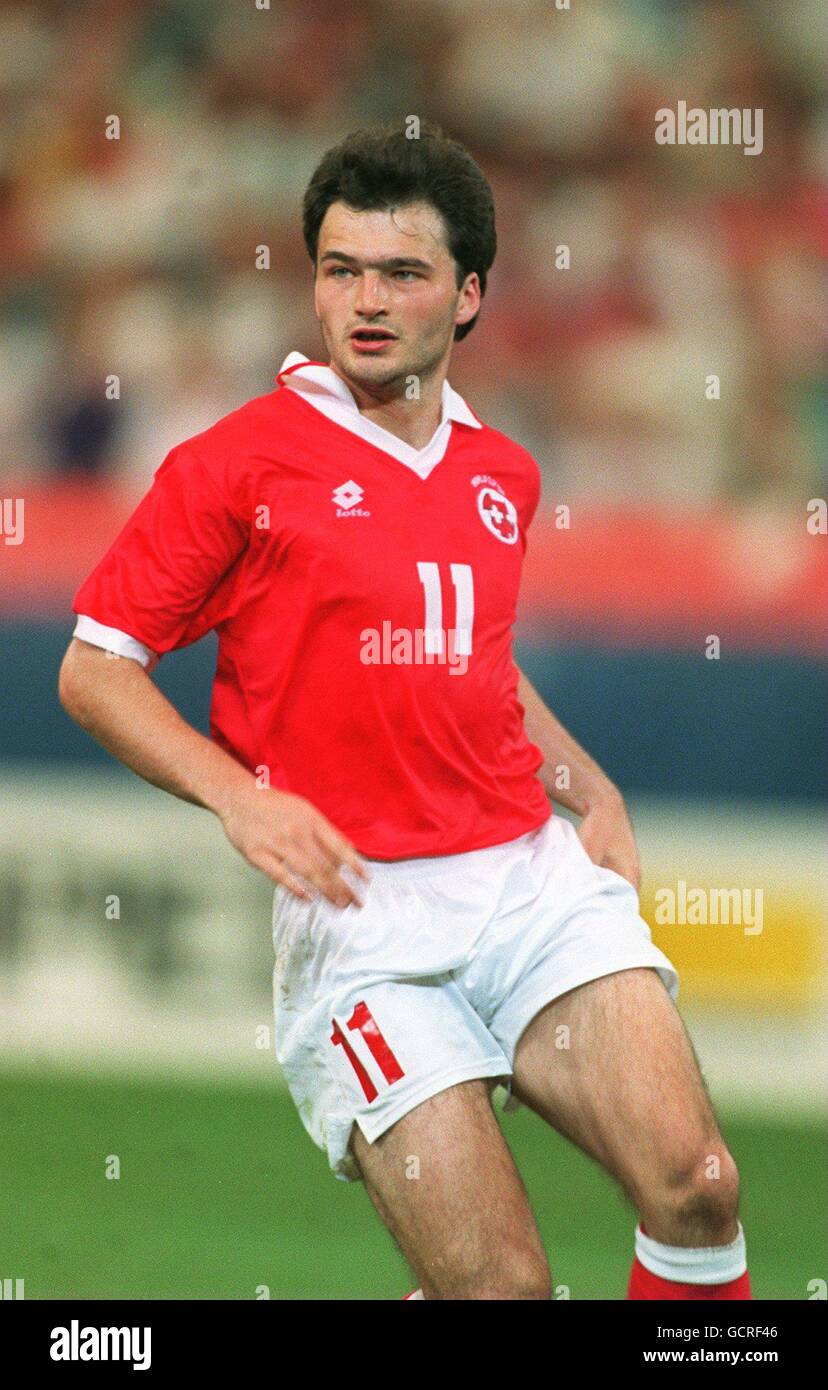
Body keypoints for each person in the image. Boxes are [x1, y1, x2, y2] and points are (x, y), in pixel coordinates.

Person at [58, 121, 750, 1301]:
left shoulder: (501, 473)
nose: (365, 301)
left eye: (402, 273)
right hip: (363, 922)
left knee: (698, 1180)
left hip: (529, 886)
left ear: (469, 294)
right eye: (340, 270)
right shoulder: (235, 466)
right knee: (501, 1290)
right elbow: (94, 668)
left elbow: (476, 666)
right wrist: (241, 798)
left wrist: (589, 789)